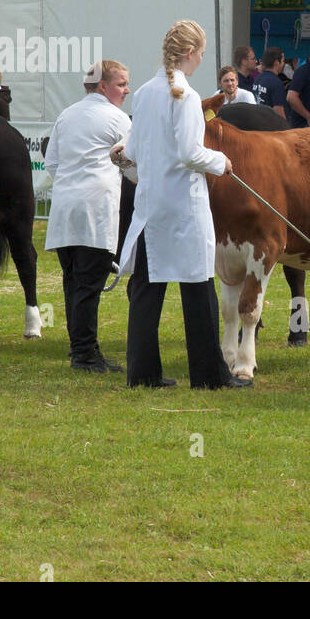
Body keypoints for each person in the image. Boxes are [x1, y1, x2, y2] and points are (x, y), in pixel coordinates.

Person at [117, 19, 251, 390]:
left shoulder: (143, 93)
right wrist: (220, 161)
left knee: (146, 288)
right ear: (190, 53)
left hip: (151, 203)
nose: (201, 62)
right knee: (197, 289)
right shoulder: (187, 98)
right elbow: (191, 153)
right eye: (202, 55)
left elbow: (135, 148)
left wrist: (124, 154)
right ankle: (209, 377)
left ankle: (142, 373)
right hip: (183, 205)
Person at [44, 59, 132, 373]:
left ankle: (82, 348)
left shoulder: (66, 115)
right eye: (121, 84)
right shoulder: (119, 119)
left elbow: (51, 162)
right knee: (87, 286)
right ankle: (84, 354)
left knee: (74, 283)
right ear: (104, 85)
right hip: (95, 209)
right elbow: (133, 163)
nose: (126, 90)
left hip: (65, 209)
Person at [253, 47, 288, 117]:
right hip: (270, 125)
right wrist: (286, 126)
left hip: (257, 121)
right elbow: (278, 111)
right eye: (283, 60)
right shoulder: (276, 83)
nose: (283, 63)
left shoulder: (258, 79)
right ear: (276, 62)